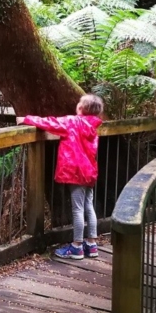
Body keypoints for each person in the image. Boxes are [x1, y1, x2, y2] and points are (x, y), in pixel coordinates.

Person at [16, 94, 103, 259]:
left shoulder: (72, 122)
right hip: (89, 171)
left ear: (80, 108)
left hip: (76, 171)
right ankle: (91, 244)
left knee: (77, 208)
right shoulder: (94, 126)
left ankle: (77, 246)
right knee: (88, 205)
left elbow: (49, 122)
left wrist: (26, 119)